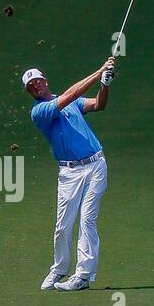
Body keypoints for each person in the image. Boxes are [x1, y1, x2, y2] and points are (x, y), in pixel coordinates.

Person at [22, 56, 116, 291]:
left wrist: (105, 83)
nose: (36, 86)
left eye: (38, 81)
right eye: (31, 86)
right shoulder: (40, 112)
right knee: (63, 225)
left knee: (87, 220)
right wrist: (99, 70)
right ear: (29, 92)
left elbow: (98, 105)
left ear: (45, 80)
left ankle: (82, 276)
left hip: (95, 165)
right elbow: (72, 95)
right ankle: (59, 270)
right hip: (69, 173)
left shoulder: (68, 102)